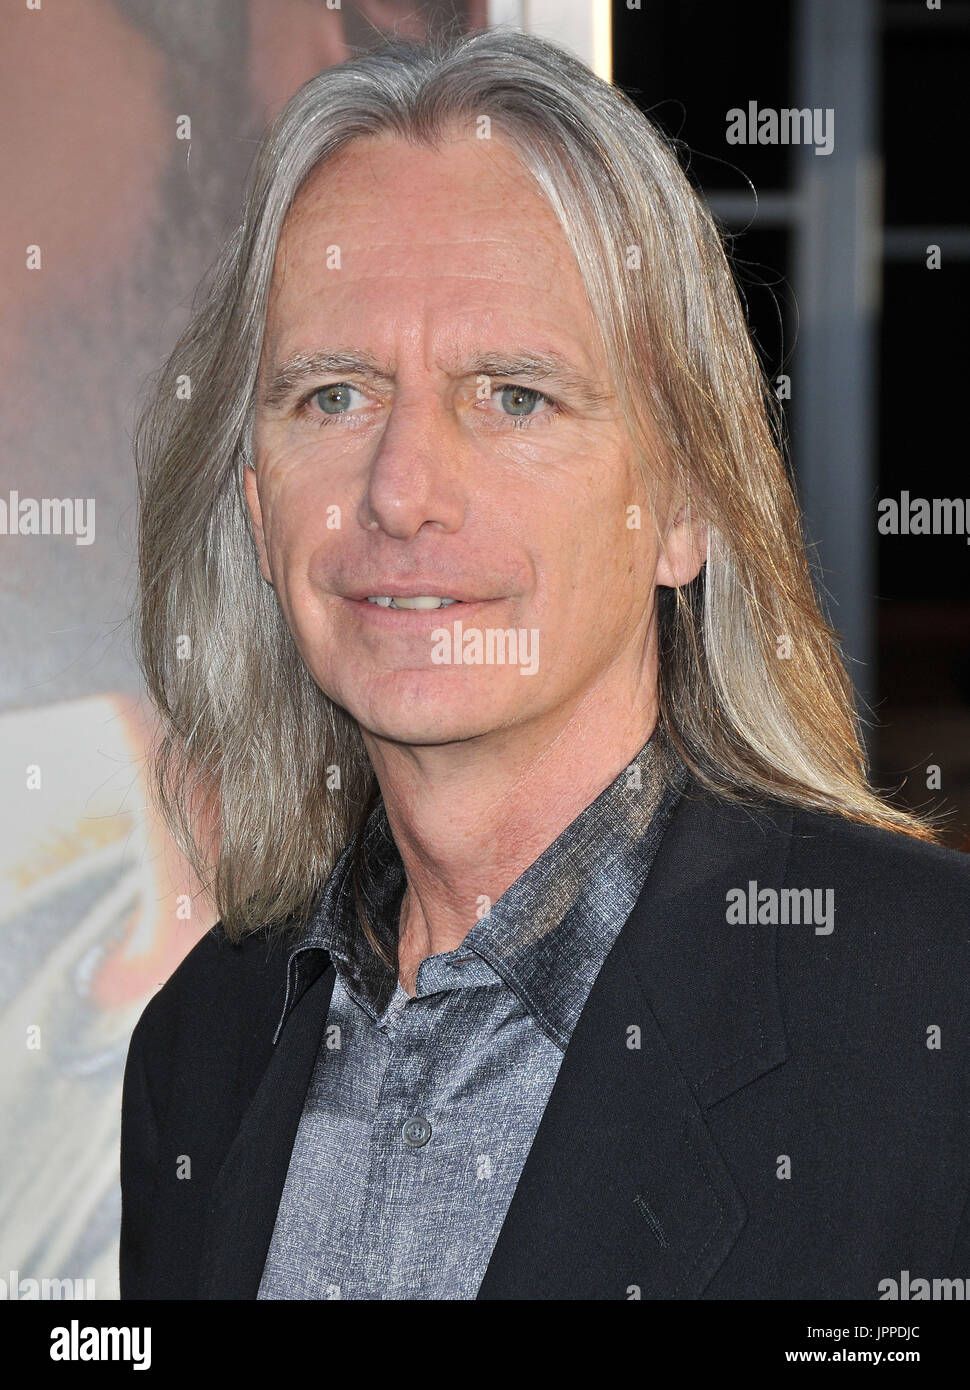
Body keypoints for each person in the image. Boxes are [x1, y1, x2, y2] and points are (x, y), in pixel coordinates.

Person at [120, 29, 970, 1301]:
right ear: (255, 506)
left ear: (686, 500)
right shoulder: (199, 1048)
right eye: (334, 397)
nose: (401, 491)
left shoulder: (925, 1020)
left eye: (513, 395)